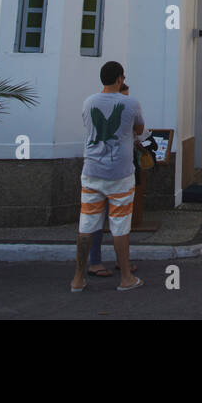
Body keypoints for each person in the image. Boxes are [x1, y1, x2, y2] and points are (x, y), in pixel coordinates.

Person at [72, 60, 145, 293]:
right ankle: (125, 278)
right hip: (120, 174)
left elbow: (88, 126)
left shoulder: (88, 102)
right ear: (120, 79)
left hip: (92, 172)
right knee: (120, 226)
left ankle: (78, 279)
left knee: (86, 225)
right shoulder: (130, 103)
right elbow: (139, 128)